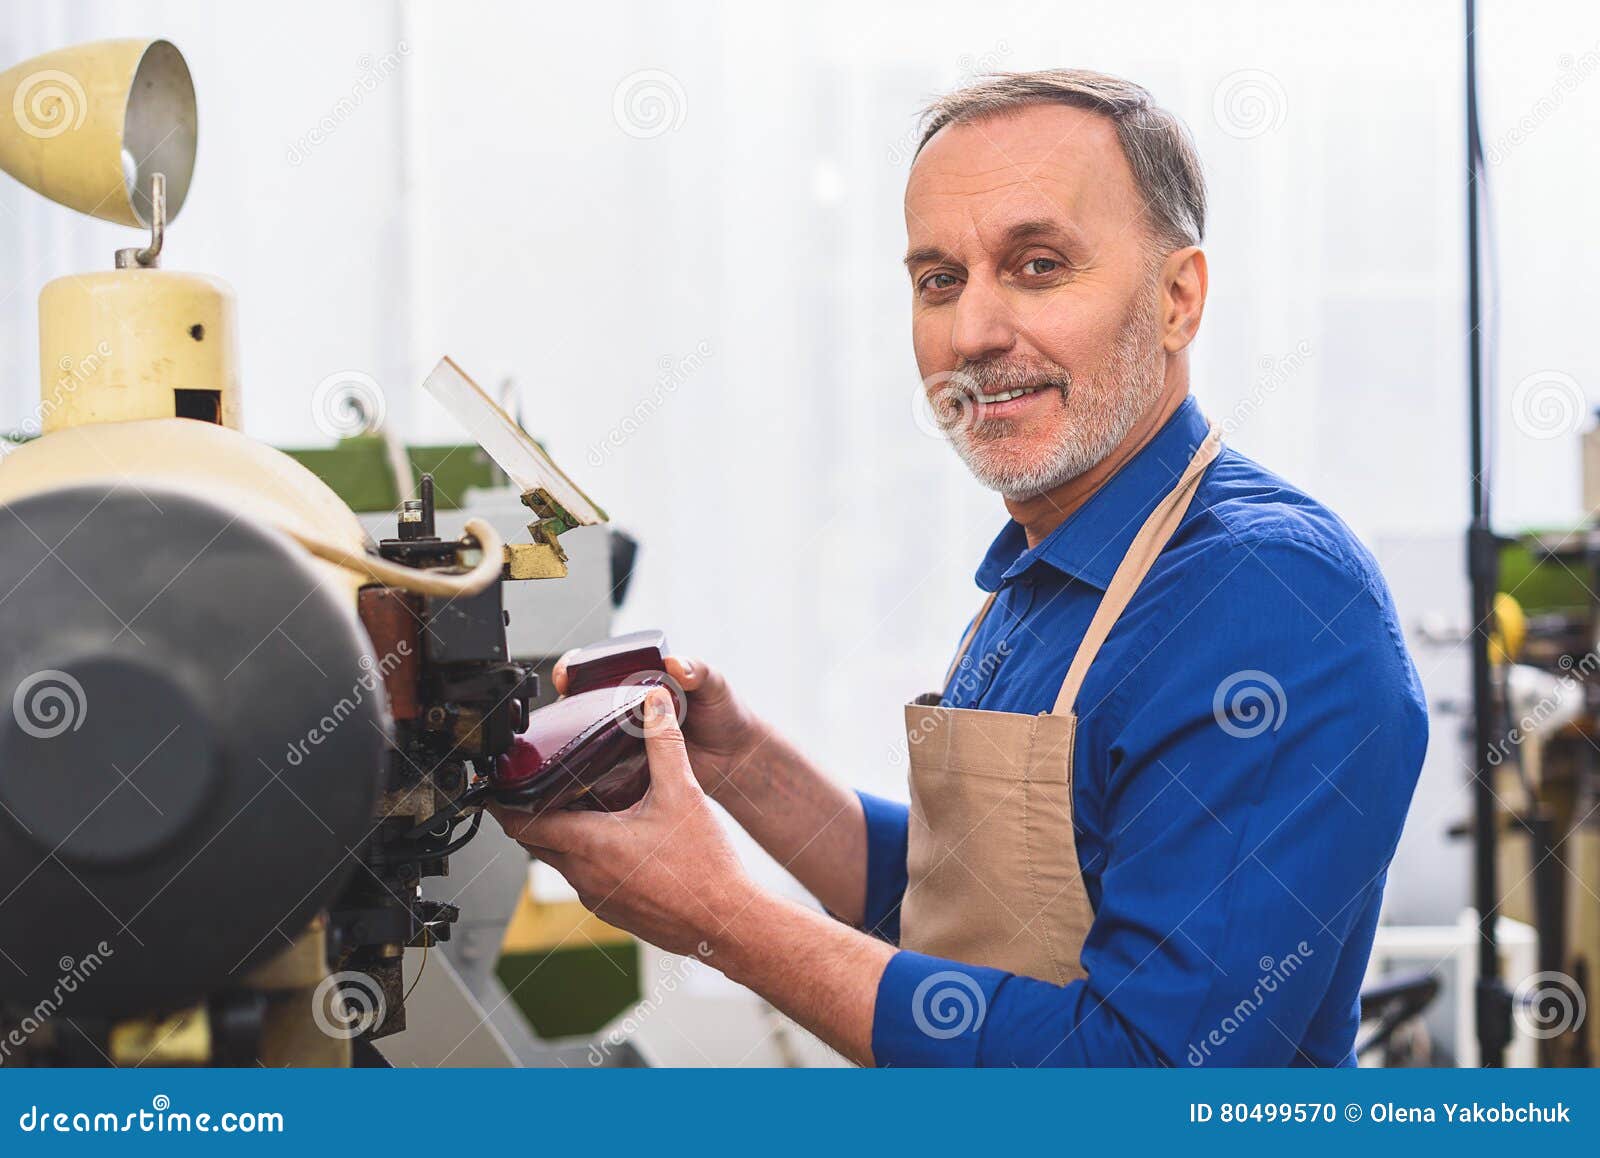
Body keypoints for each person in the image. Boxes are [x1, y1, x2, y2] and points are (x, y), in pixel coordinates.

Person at [491, 69, 1427, 1067]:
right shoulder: (1045, 576)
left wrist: (721, 918)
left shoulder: (1269, 601)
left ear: (1176, 299)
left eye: (1036, 264)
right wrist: (747, 768)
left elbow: (1142, 1080)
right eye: (939, 279)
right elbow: (965, 909)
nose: (972, 334)